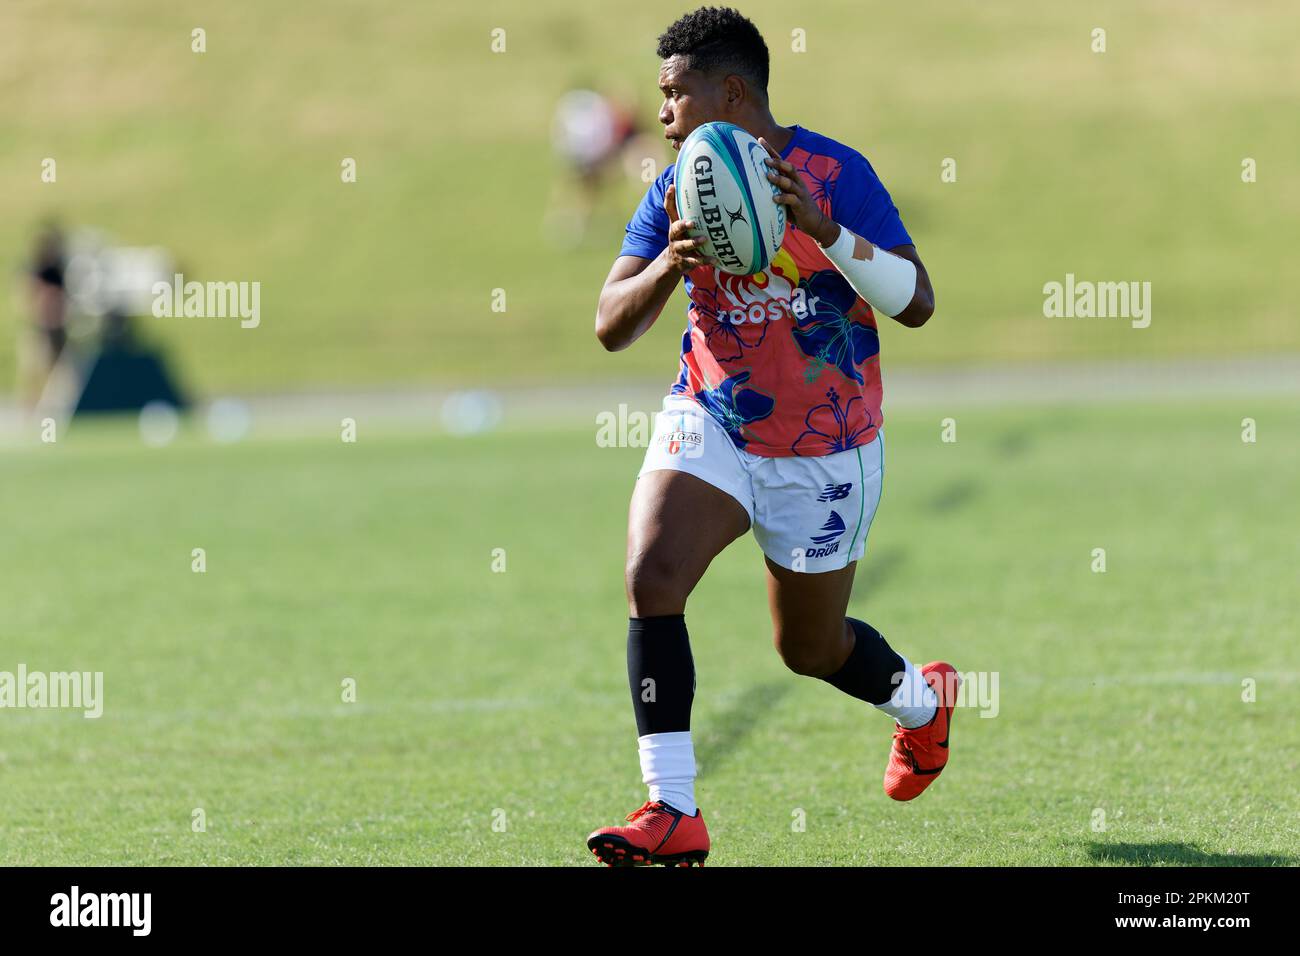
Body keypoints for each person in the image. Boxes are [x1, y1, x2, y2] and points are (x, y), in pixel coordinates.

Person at [586, 6, 955, 867]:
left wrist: (825, 234)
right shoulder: (674, 183)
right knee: (653, 571)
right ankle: (672, 808)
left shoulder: (834, 171)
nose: (665, 114)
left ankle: (922, 708)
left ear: (733, 90)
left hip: (828, 446)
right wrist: (668, 267)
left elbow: (919, 302)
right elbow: (608, 323)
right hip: (713, 415)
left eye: (676, 95)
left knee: (810, 650)